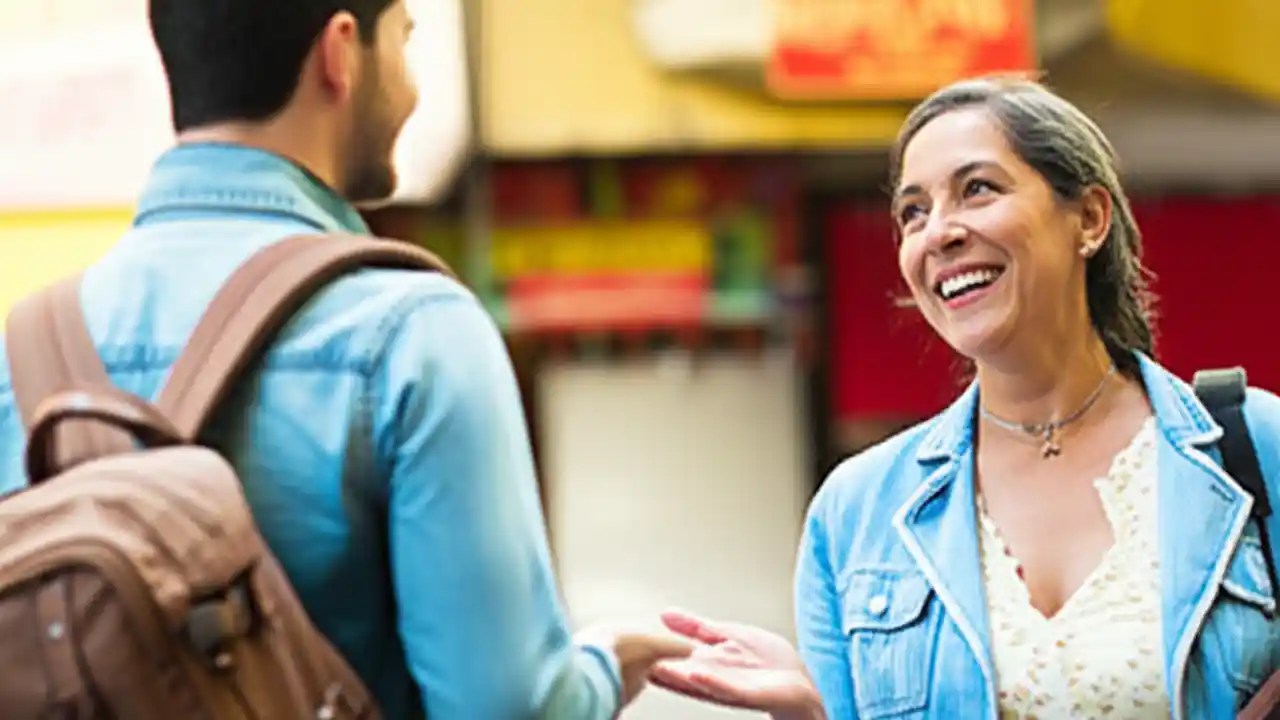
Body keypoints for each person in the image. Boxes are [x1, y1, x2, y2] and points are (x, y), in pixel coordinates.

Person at [0, 1, 690, 718]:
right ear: (341, 52)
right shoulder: (414, 334)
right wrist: (601, 670)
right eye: (404, 41)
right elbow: (504, 708)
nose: (412, 89)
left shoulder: (22, 353)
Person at [649, 76, 1280, 719]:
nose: (939, 233)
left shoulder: (1252, 448)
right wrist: (811, 712)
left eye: (977, 189)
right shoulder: (857, 513)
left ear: (1088, 219)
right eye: (913, 212)